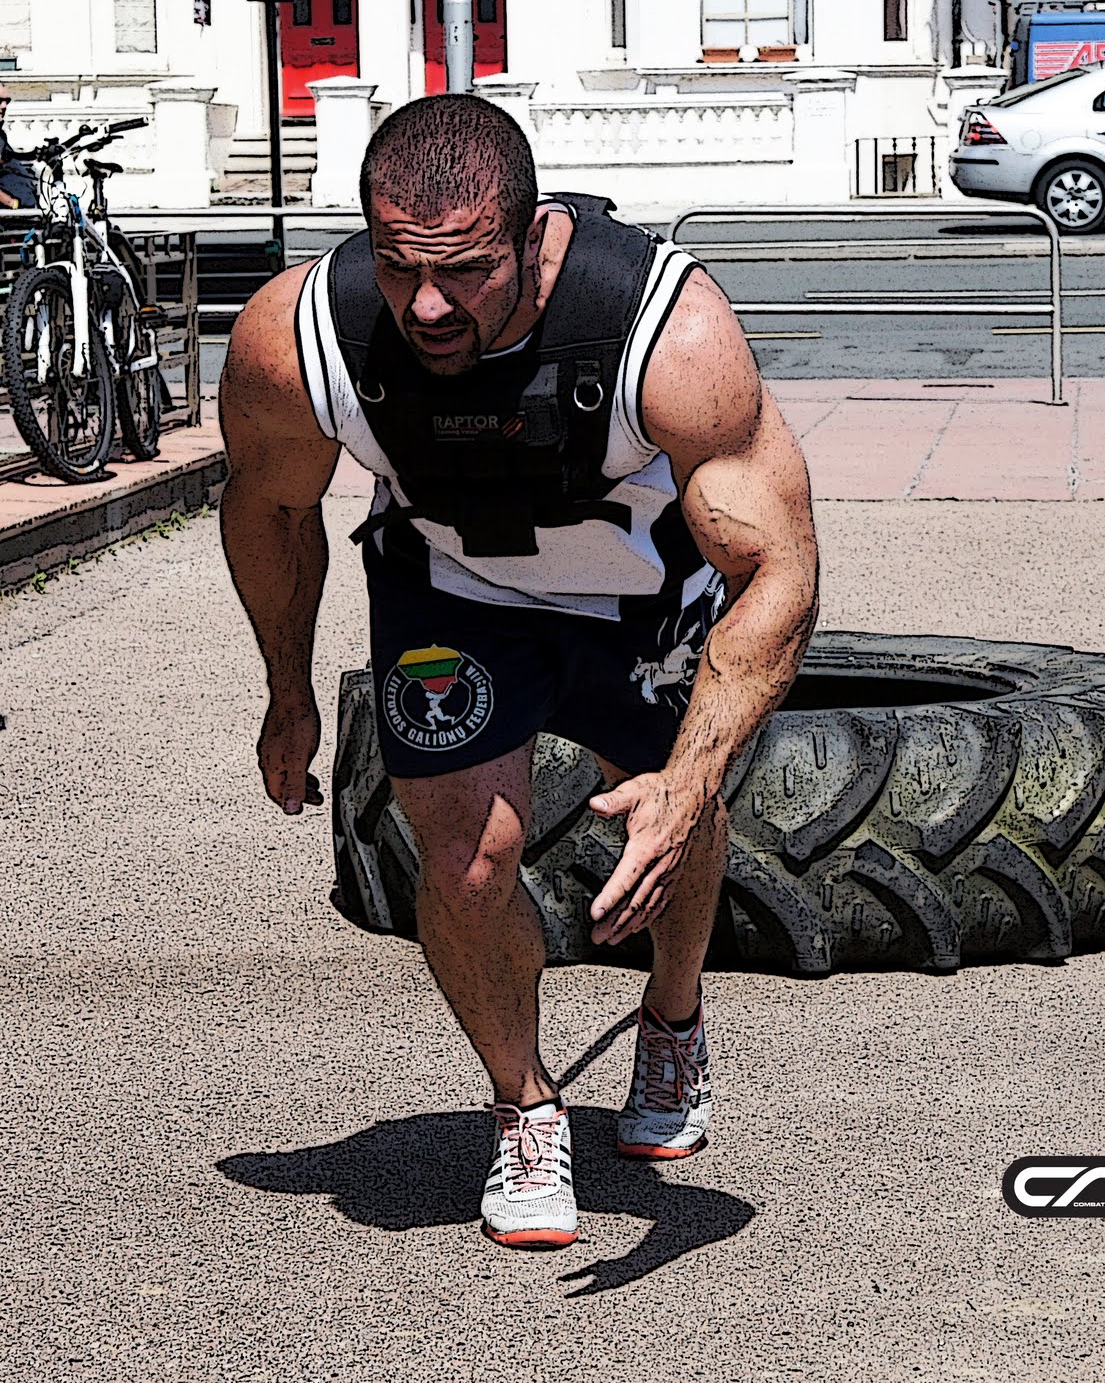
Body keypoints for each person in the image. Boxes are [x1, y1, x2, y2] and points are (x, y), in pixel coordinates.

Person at [218, 95, 818, 1250]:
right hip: (455, 593)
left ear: (532, 234)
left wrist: (691, 778)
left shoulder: (665, 330)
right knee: (463, 853)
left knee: (670, 827)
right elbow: (271, 512)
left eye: (466, 271)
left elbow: (780, 573)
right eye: (400, 270)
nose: (429, 306)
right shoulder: (299, 341)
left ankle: (674, 1014)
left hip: (640, 593)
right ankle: (523, 1102)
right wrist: (285, 692)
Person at [0, 85, 38, 211]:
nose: (4, 106)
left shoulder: (1, 135)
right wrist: (10, 202)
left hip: (25, 211)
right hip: (9, 216)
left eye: (7, 101)